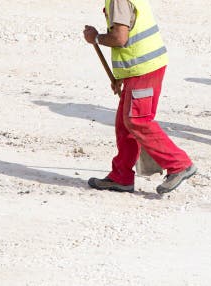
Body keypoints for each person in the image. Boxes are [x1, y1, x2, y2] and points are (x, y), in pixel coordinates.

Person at [83, 0, 197, 194]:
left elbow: (120, 38)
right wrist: (120, 77)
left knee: (136, 120)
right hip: (139, 68)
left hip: (144, 68)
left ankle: (179, 164)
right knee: (123, 122)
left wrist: (95, 38)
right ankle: (121, 177)